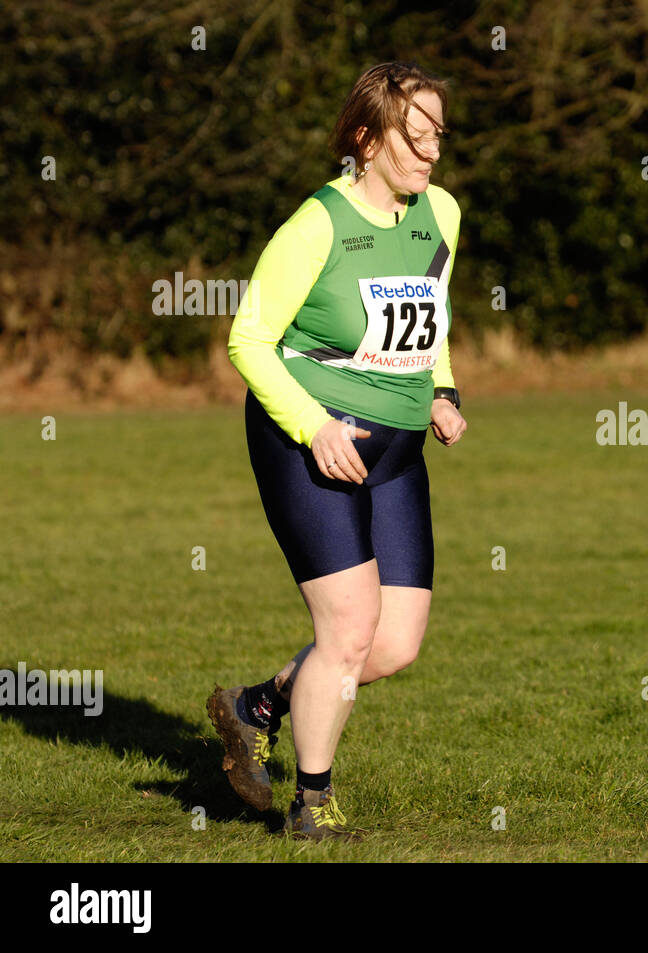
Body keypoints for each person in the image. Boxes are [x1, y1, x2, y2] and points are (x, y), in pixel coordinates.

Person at [207, 61, 467, 840]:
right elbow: (247, 338)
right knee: (348, 630)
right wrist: (313, 424)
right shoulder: (317, 224)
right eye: (412, 137)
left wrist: (444, 391)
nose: (429, 153)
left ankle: (257, 706)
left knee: (392, 643)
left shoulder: (442, 212)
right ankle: (311, 807)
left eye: (437, 137)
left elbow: (432, 311)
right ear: (365, 137)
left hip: (396, 451)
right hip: (310, 439)